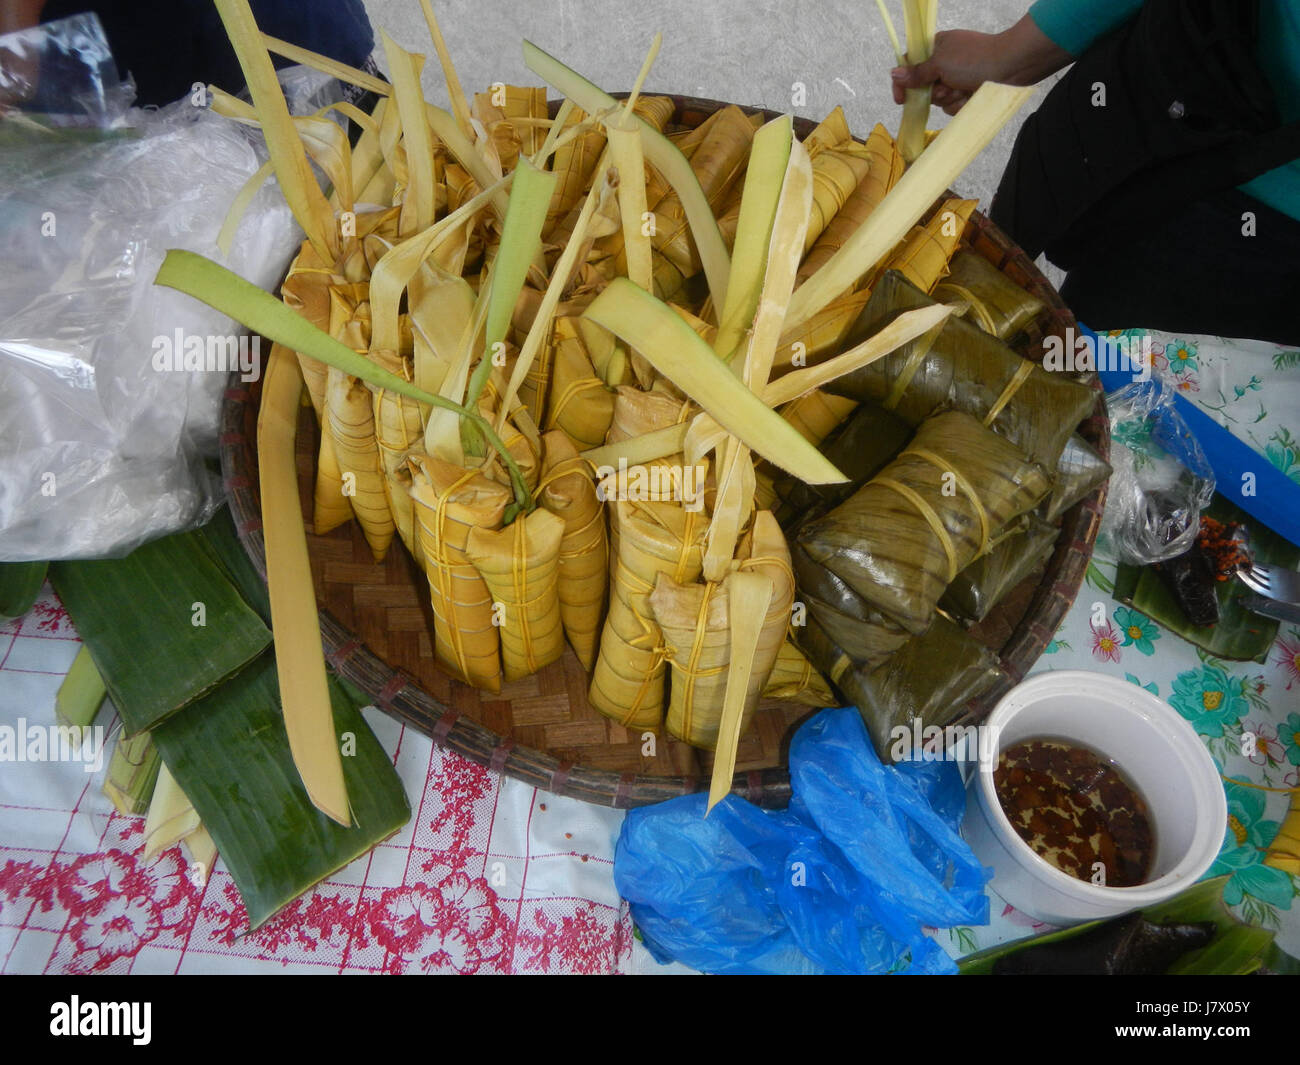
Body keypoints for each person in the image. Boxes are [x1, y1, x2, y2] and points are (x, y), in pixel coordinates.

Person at [891, 0, 1300, 344]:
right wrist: (1008, 57)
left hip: (1261, 239)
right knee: (990, 279)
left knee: (1075, 368)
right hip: (1147, 94)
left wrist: (1010, 55)